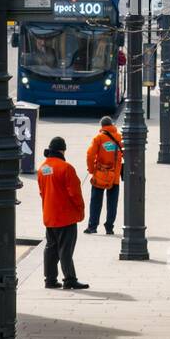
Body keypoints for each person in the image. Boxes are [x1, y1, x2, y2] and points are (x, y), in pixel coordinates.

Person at [37, 136, 88, 290]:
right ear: (62, 150)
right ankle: (69, 279)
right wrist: (80, 209)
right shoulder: (66, 168)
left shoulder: (42, 168)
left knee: (51, 248)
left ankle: (50, 279)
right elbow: (75, 193)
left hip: (49, 215)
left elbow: (42, 192)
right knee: (65, 249)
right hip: (65, 216)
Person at [84, 116, 123, 236]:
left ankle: (92, 226)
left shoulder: (99, 138)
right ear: (111, 125)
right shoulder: (119, 138)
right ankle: (109, 227)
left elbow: (90, 155)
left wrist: (91, 170)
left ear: (102, 126)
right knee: (112, 202)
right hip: (114, 176)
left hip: (100, 174)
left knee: (96, 201)